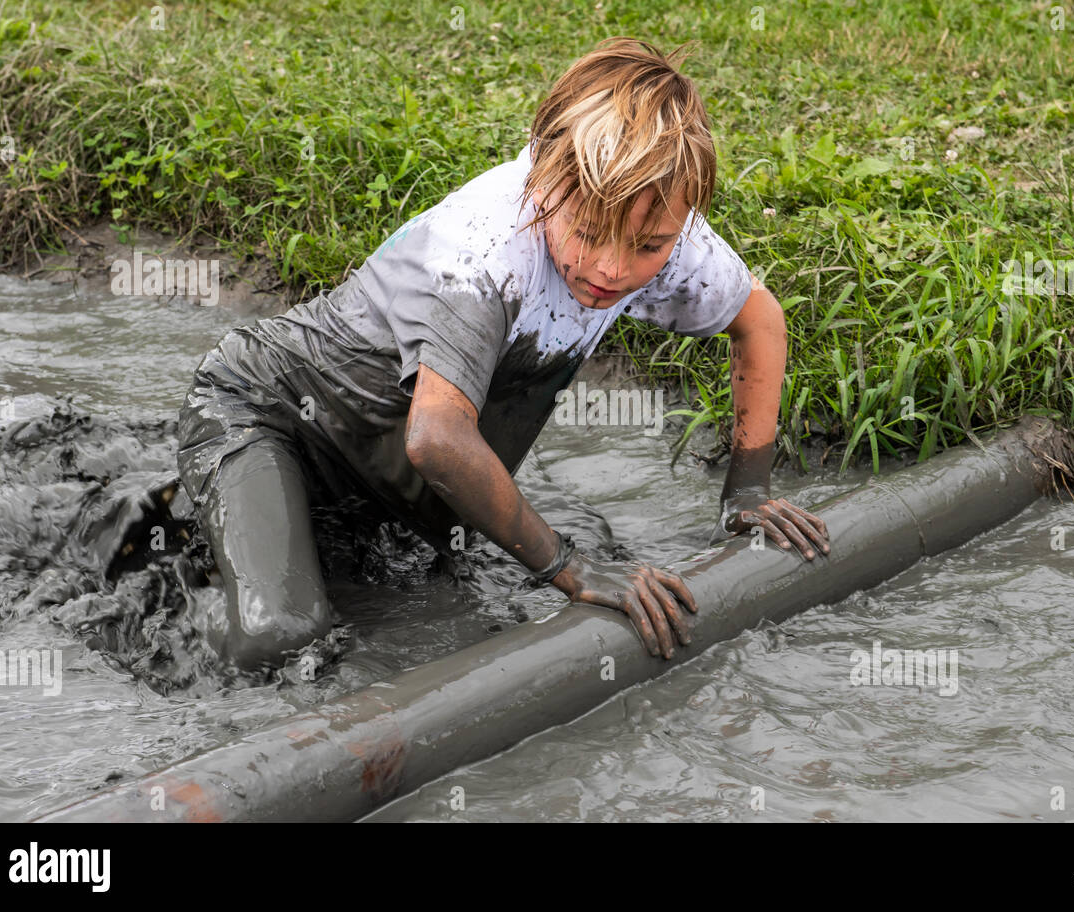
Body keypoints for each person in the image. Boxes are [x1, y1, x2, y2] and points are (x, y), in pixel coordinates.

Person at [175, 36, 829, 671]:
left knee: (423, 630)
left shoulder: (672, 237)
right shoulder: (485, 256)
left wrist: (747, 494)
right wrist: (570, 567)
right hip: (271, 418)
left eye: (647, 247)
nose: (610, 268)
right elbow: (436, 438)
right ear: (543, 176)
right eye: (590, 231)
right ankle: (183, 596)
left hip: (387, 483)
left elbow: (761, 324)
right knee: (281, 637)